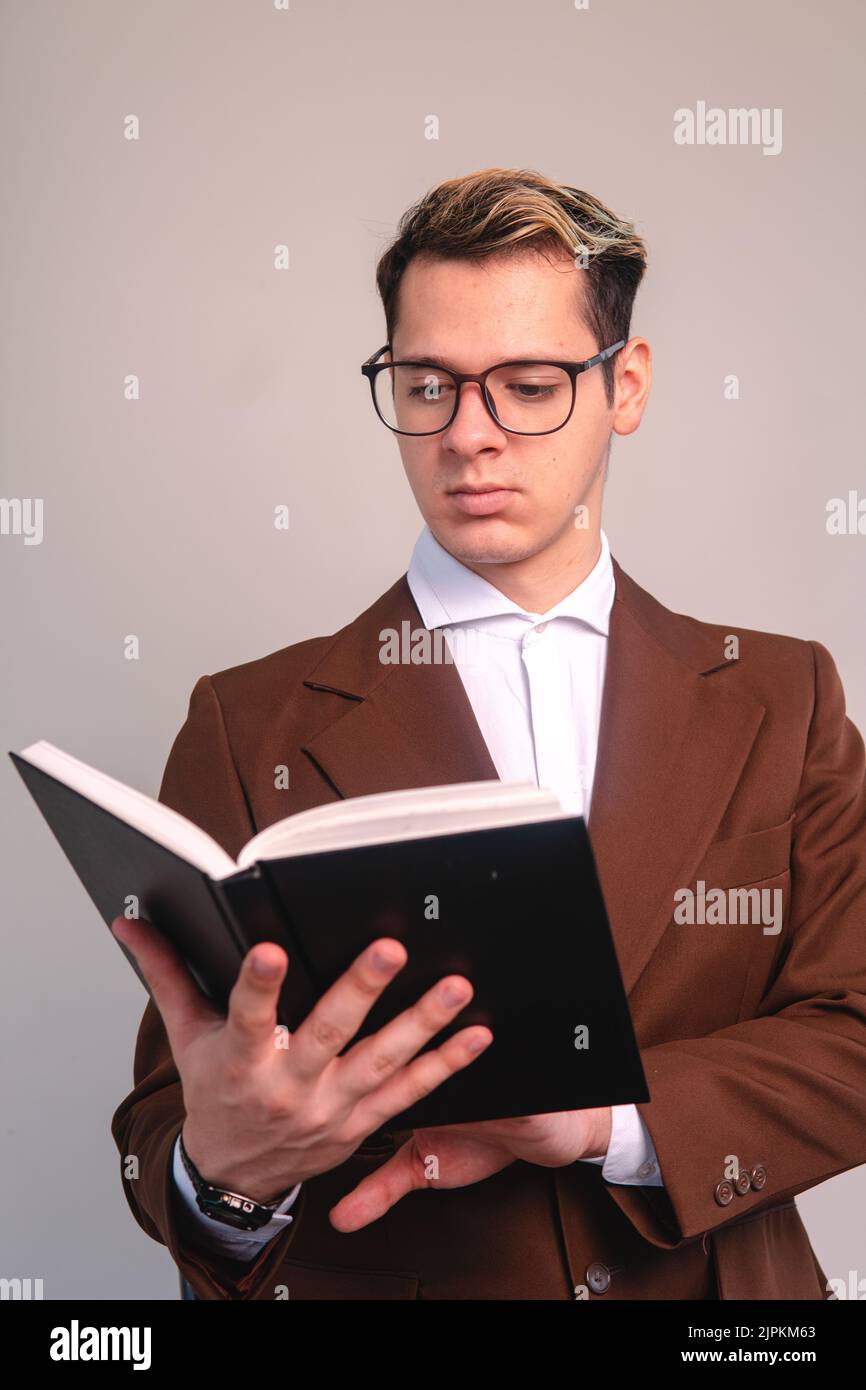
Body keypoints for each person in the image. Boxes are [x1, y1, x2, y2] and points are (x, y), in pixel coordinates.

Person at [110, 167, 866, 1300]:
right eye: (427, 385)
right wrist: (226, 1176)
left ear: (626, 385)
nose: (469, 437)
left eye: (526, 384)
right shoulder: (245, 721)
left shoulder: (783, 693)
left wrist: (605, 1120)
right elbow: (176, 1129)